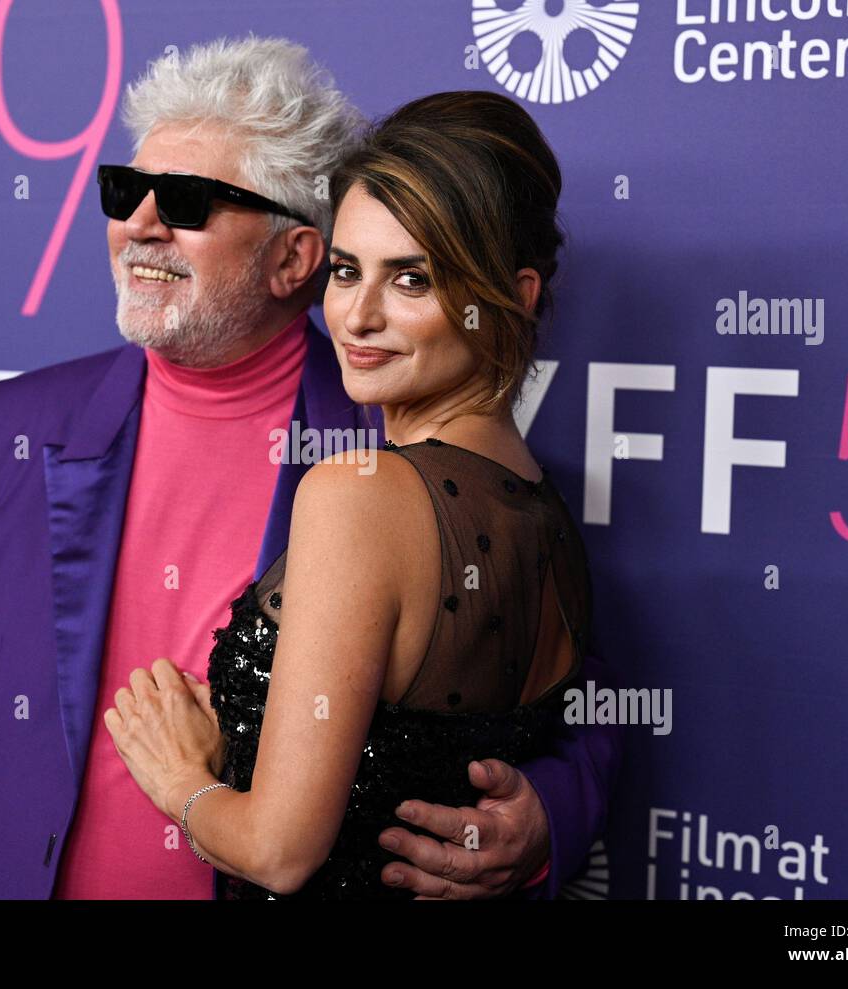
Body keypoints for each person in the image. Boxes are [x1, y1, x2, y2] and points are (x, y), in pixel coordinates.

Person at [0, 36, 623, 900]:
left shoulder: (411, 450)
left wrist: (543, 821)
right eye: (125, 190)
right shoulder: (17, 426)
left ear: (294, 257)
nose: (139, 223)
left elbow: (573, 709)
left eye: (184, 201)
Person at [104, 86, 609, 899]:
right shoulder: (546, 509)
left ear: (511, 298)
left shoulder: (357, 491)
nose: (357, 316)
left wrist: (178, 778)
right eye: (347, 271)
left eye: (412, 279)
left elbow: (279, 852)